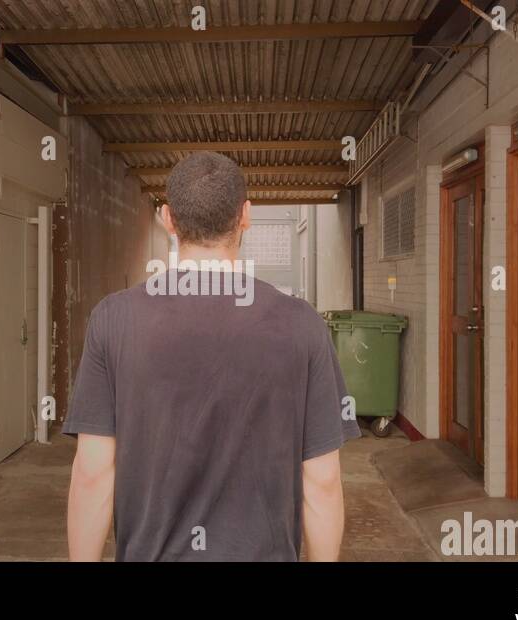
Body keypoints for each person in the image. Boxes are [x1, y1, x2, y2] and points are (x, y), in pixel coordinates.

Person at [64, 152, 360, 561]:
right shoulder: (302, 324)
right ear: (246, 216)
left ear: (168, 219)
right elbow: (323, 481)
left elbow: (93, 472)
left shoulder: (113, 319)